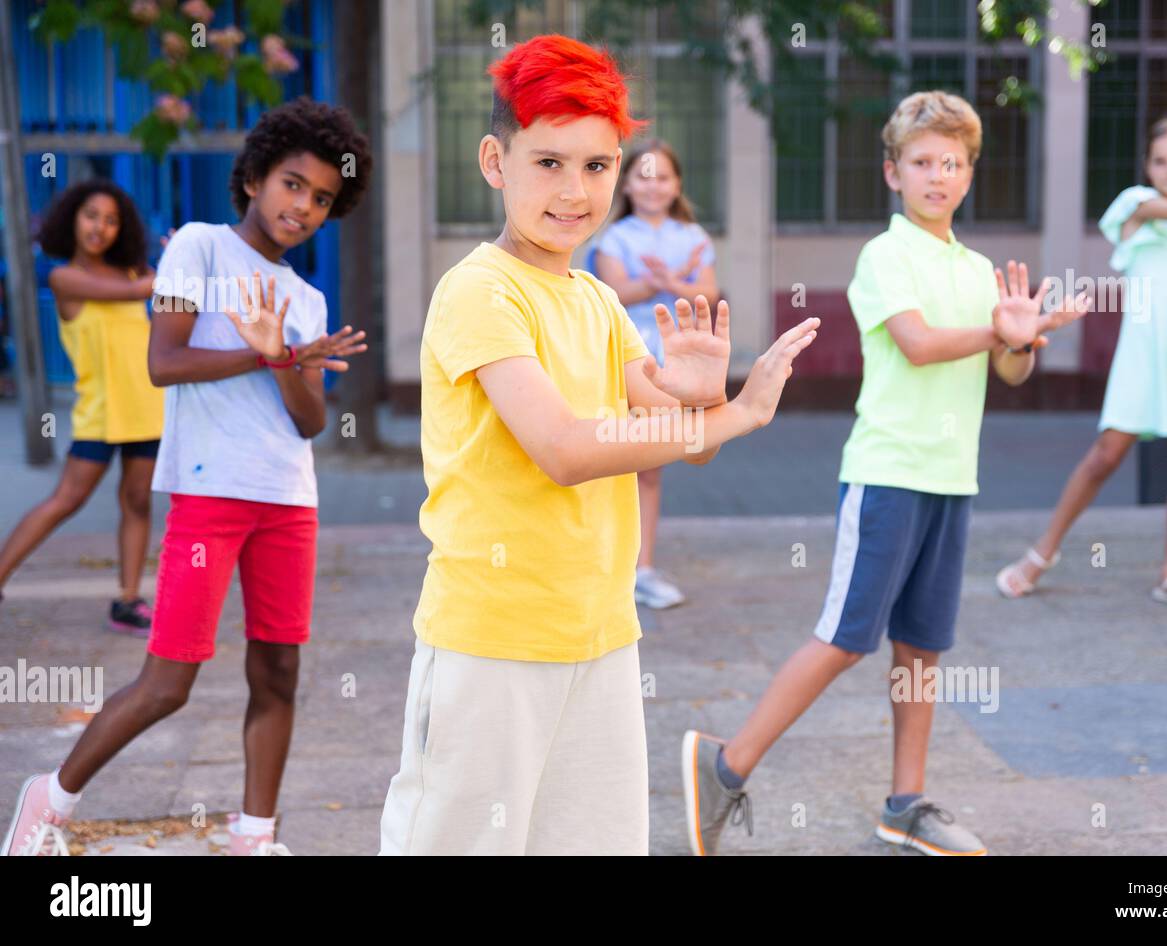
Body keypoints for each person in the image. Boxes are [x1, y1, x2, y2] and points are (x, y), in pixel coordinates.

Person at [378, 34, 819, 856]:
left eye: (597, 166)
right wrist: (731, 415)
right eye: (548, 162)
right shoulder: (479, 289)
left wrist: (703, 396)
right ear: (494, 160)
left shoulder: (596, 300)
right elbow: (566, 449)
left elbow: (684, 448)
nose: (574, 191)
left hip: (601, 630)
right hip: (491, 636)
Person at [681, 90, 1090, 857]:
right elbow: (920, 343)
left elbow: (1008, 373)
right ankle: (724, 765)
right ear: (893, 173)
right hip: (888, 472)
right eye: (923, 162)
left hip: (950, 479)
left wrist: (1023, 340)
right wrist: (996, 329)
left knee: (923, 648)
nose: (939, 175)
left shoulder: (977, 269)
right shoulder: (884, 255)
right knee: (844, 639)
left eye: (954, 163)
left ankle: (904, 805)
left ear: (970, 174)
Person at [3, 97, 372, 858]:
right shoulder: (195, 250)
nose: (304, 207)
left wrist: (290, 363)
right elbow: (163, 362)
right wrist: (265, 353)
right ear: (254, 178)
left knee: (278, 671)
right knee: (169, 683)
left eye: (322, 200)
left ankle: (253, 835)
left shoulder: (308, 299)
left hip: (288, 500)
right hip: (209, 494)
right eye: (293, 185)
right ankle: (51, 797)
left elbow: (307, 420)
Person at [996, 116, 1167, 612]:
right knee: (1106, 453)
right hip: (1145, 350)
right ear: (1147, 164)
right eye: (1160, 160)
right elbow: (1166, 209)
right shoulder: (1135, 203)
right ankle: (1039, 555)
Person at [0, 181, 163, 634]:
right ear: (73, 218)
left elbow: (167, 301)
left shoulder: (134, 273)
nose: (100, 227)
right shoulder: (64, 277)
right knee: (66, 500)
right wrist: (172, 270)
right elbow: (142, 293)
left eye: (111, 220)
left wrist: (173, 271)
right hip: (102, 411)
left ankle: (128, 600)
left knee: (137, 502)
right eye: (92, 215)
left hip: (149, 408)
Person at [595, 137, 719, 609]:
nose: (652, 185)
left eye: (662, 176)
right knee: (610, 463)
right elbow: (612, 293)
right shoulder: (614, 237)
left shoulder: (695, 238)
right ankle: (610, 566)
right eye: (643, 175)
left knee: (649, 470)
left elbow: (705, 295)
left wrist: (672, 283)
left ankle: (641, 568)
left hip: (671, 369)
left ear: (677, 183)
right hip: (622, 363)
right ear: (626, 181)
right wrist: (663, 282)